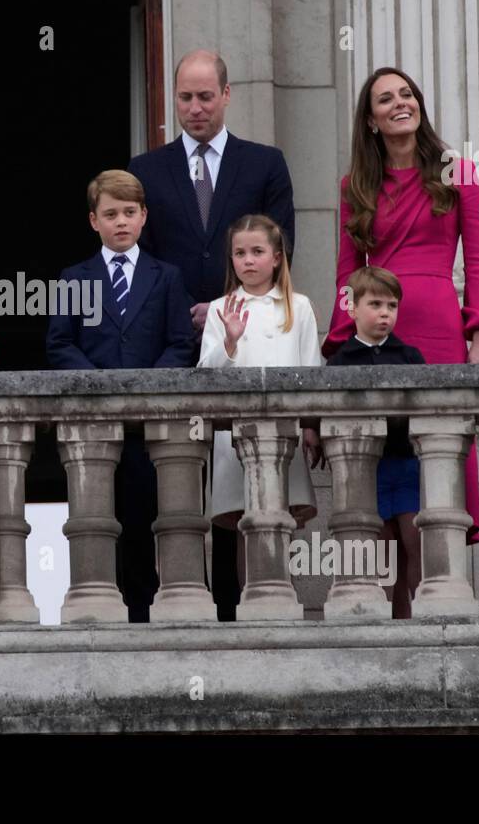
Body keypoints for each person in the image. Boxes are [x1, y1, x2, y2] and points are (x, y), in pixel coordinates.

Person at [128, 49, 297, 620]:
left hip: (243, 339)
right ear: (172, 98)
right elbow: (140, 259)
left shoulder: (264, 163)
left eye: (205, 96)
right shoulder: (146, 171)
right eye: (184, 97)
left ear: (227, 95)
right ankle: (162, 603)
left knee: (234, 470)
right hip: (172, 345)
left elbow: (280, 245)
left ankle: (232, 605)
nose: (195, 107)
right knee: (169, 475)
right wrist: (186, 315)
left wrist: (228, 306)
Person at [322, 68, 479, 544]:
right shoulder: (354, 187)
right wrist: (343, 346)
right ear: (371, 120)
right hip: (381, 331)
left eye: (406, 94)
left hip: (440, 328)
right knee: (385, 464)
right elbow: (347, 275)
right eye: (385, 99)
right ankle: (392, 608)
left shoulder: (458, 172)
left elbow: (478, 263)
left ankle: (444, 586)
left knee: (442, 448)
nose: (399, 103)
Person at [45, 170, 194, 621]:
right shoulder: (74, 277)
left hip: (149, 426)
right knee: (94, 523)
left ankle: (145, 620)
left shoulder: (166, 276)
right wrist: (99, 385)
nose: (121, 222)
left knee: (145, 520)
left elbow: (181, 343)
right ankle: (100, 615)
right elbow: (59, 343)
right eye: (111, 214)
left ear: (144, 216)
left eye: (130, 212)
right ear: (94, 221)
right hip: (94, 426)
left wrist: (146, 386)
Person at [198, 214, 323, 592]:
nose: (248, 261)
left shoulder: (298, 307)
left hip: (286, 433)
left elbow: (312, 371)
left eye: (257, 251)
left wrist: (312, 425)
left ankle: (282, 599)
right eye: (239, 253)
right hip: (234, 436)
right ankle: (251, 606)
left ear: (277, 257)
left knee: (280, 520)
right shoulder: (221, 308)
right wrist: (230, 342)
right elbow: (206, 374)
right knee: (244, 524)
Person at [326, 266, 426, 618]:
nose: (385, 313)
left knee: (415, 542)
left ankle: (420, 618)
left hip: (407, 463)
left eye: (392, 306)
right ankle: (385, 624)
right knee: (382, 550)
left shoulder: (410, 358)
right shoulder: (339, 362)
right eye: (376, 304)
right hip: (369, 470)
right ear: (351, 309)